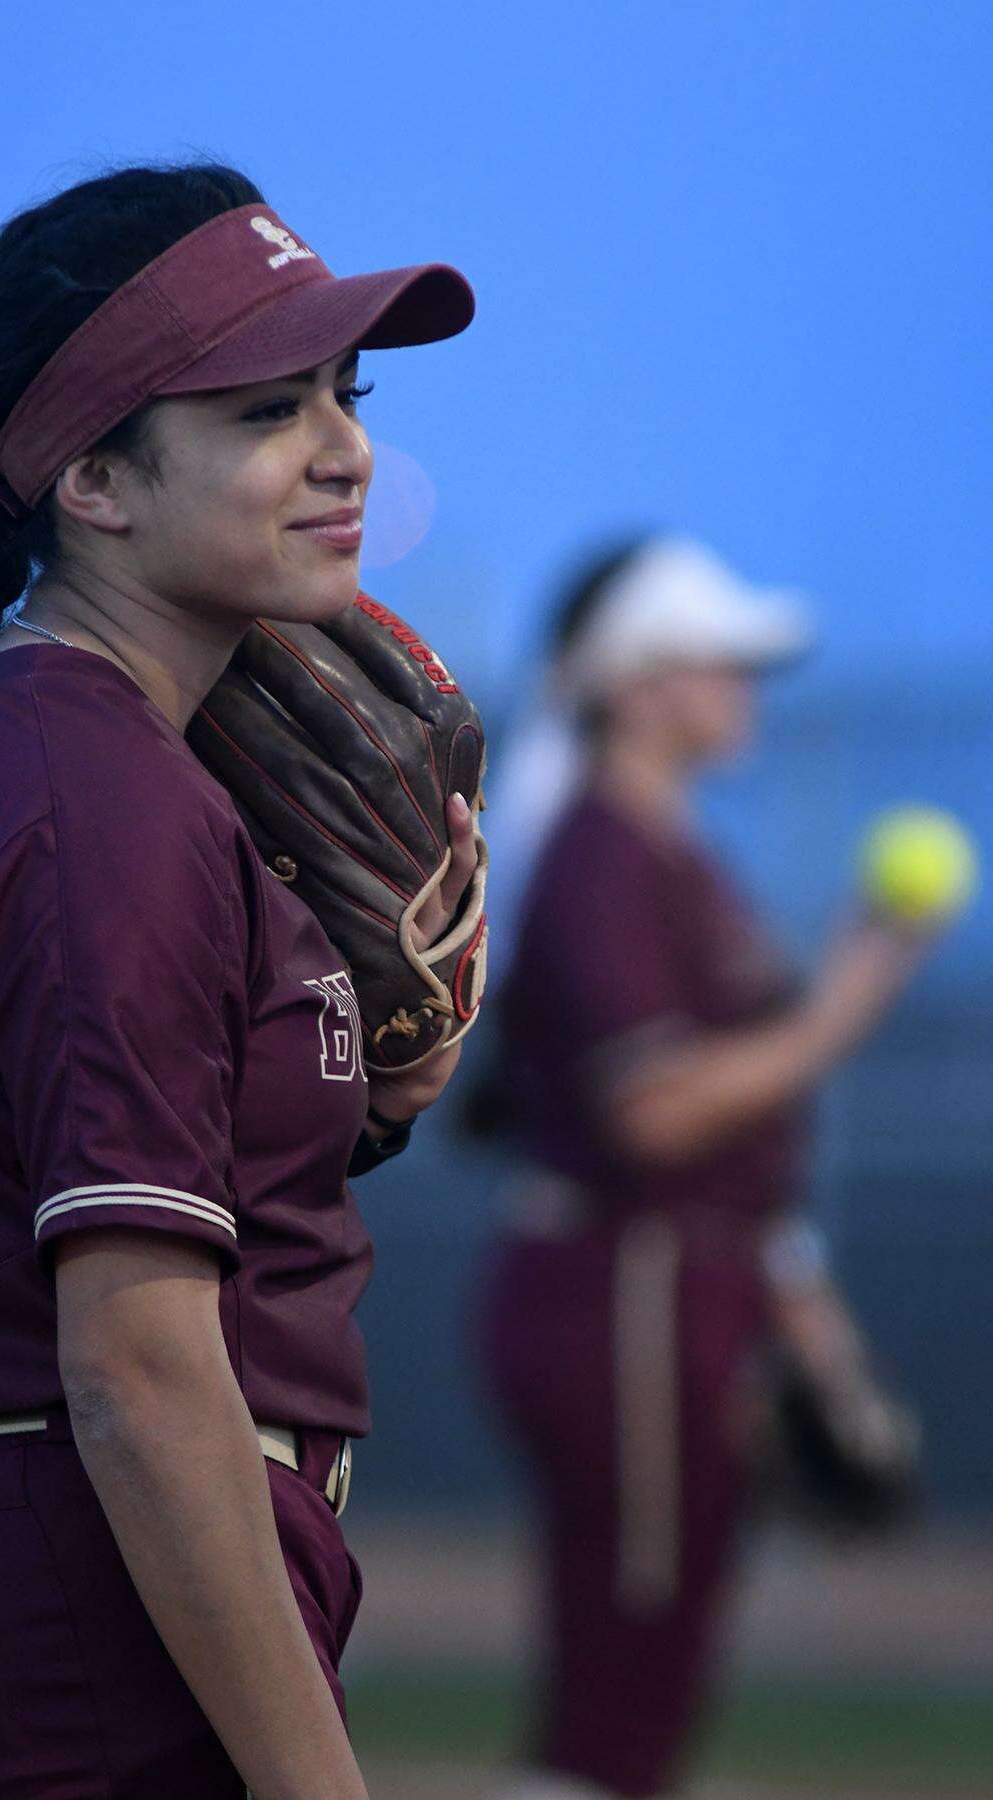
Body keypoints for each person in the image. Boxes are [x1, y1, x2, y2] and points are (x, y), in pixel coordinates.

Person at [0, 161, 477, 1798]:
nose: (343, 449)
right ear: (93, 477)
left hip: (45, 1597)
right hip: (86, 1621)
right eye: (263, 412)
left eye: (343, 390)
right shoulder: (108, 803)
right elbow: (138, 1364)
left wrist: (379, 1091)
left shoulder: (54, 753)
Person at [475, 537, 934, 1800]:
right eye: (719, 663)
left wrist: (809, 1321)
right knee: (617, 1706)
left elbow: (737, 1160)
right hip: (623, 1293)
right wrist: (843, 1005)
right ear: (635, 684)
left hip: (685, 1292)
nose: (746, 688)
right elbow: (657, 1116)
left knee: (649, 1694)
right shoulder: (601, 855)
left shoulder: (671, 853)